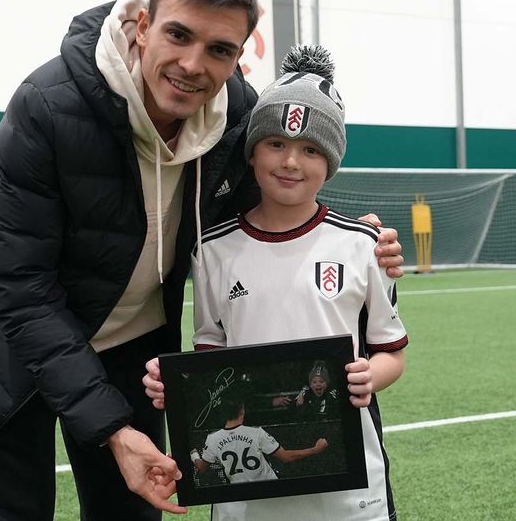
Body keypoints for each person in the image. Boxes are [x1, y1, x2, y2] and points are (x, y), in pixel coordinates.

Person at [0, 0, 405, 521]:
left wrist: (356, 237)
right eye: (178, 34)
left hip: (130, 344)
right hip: (7, 337)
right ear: (141, 26)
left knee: (131, 510)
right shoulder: (47, 105)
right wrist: (111, 428)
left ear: (238, 58)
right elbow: (17, 283)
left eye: (220, 50)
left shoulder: (236, 117)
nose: (192, 64)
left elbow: (271, 201)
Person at [144, 44, 408, 520]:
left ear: (330, 163)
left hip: (348, 486)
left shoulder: (363, 245)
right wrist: (184, 389)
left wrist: (373, 376)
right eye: (276, 144)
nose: (291, 162)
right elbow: (212, 356)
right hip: (246, 494)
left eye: (310, 150)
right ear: (252, 152)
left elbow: (391, 351)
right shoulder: (212, 250)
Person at [193, 394, 328, 485]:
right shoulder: (256, 433)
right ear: (242, 410)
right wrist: (315, 449)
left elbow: (202, 467)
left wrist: (193, 454)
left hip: (240, 493)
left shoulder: (212, 439)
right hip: (268, 487)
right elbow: (286, 457)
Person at [272, 361, 341, 417]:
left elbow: (336, 412)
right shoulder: (305, 394)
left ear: (327, 384)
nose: (318, 384)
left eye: (321, 381)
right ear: (310, 385)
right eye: (314, 382)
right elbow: (296, 414)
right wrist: (299, 405)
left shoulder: (332, 395)